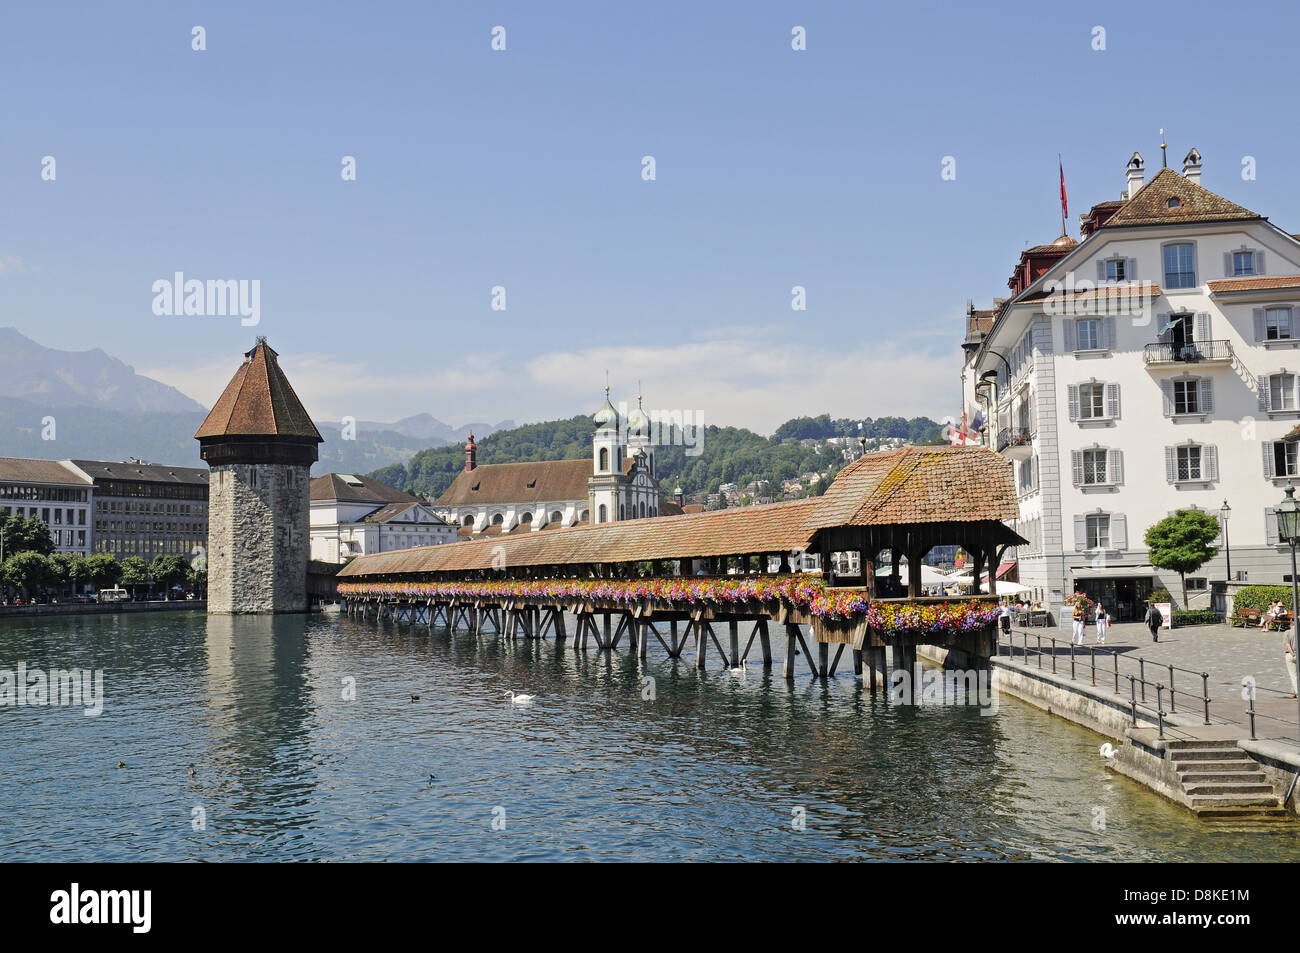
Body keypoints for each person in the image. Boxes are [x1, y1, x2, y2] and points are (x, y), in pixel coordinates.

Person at [1286, 624, 1298, 699]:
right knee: (1297, 674)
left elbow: (1288, 645)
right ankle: (1294, 692)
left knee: (1293, 675)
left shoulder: (1288, 632)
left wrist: (1293, 654)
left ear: (1291, 626)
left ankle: (1298, 693)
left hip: (1291, 655)